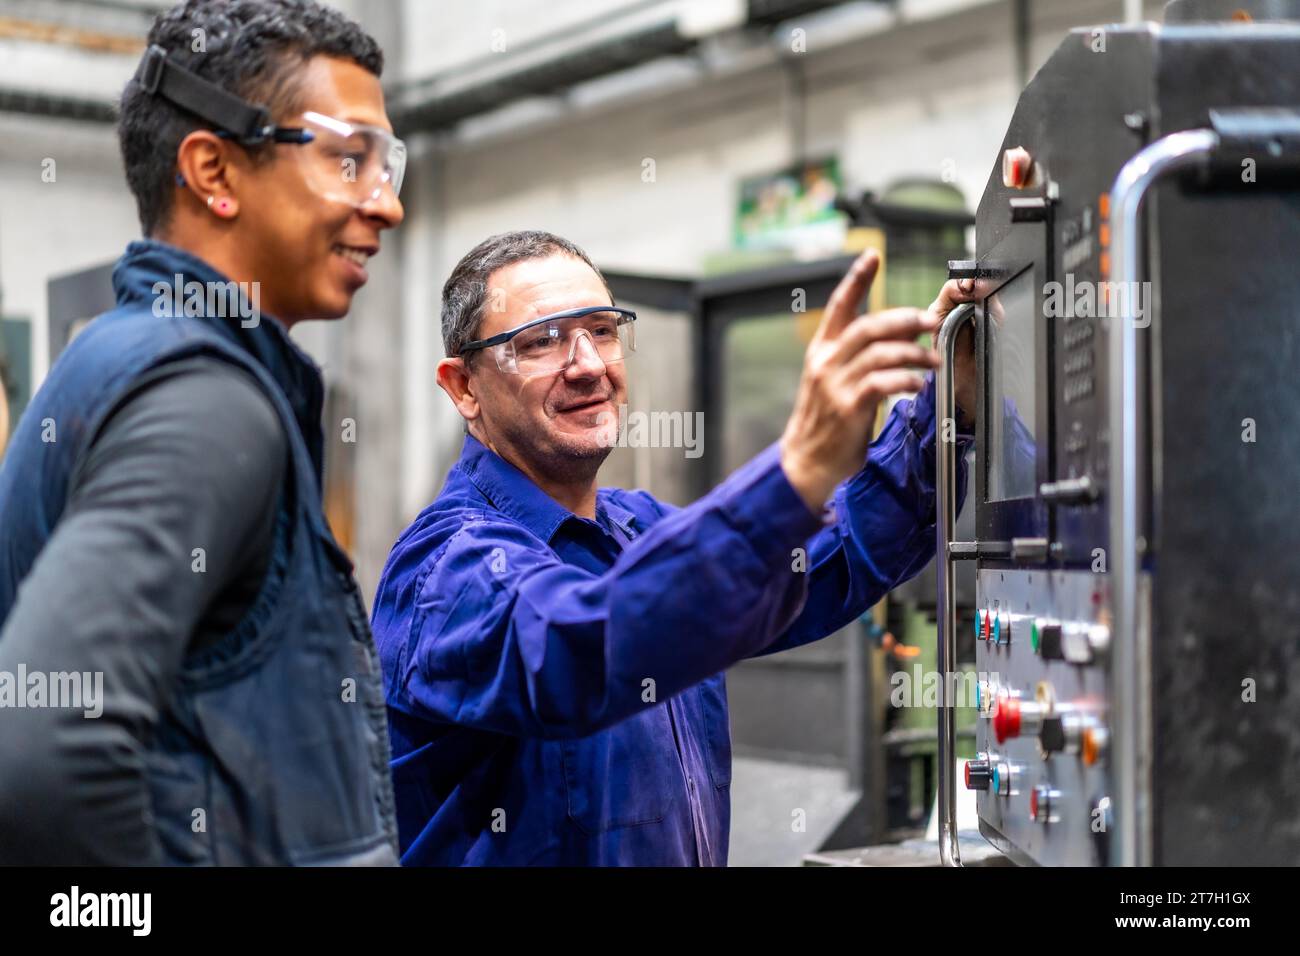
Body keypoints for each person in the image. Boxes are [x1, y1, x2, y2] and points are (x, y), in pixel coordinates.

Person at [371, 230, 978, 865]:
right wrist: (795, 471)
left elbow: (830, 558)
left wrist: (948, 409)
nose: (587, 364)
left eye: (602, 331)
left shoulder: (636, 530)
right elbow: (576, 646)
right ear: (464, 386)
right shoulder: (446, 566)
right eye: (541, 340)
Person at [0, 0, 404, 864]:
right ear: (213, 170)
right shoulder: (204, 400)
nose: (387, 204)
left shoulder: (117, 357)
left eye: (386, 163)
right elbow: (45, 740)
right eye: (347, 158)